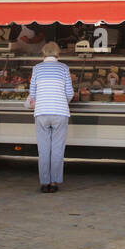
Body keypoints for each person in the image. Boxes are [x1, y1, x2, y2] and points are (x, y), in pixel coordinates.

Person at [28, 41, 73, 192]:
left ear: (43, 54)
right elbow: (70, 93)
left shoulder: (37, 68)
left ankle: (44, 183)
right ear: (58, 54)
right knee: (57, 149)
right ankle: (53, 183)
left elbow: (32, 94)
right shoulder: (64, 68)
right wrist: (61, 101)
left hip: (41, 112)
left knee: (43, 149)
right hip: (60, 113)